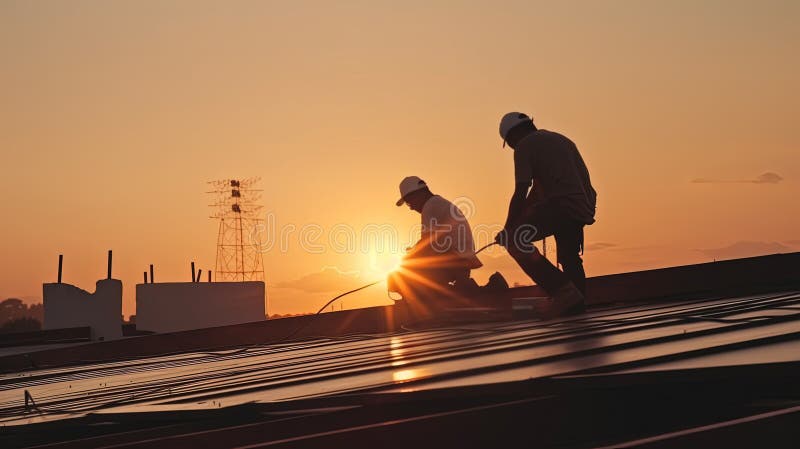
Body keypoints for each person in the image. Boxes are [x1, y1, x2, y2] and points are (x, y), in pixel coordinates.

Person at [495, 112, 597, 317]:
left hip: (561, 205)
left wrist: (508, 229)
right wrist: (526, 213)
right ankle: (577, 304)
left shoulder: (524, 146)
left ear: (513, 136)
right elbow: (538, 189)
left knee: (515, 240)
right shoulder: (560, 139)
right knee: (569, 257)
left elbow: (521, 191)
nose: (513, 147)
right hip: (582, 206)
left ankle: (563, 292)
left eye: (511, 143)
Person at [388, 176, 483, 315]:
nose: (411, 207)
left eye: (409, 202)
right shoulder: (438, 203)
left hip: (455, 260)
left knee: (398, 278)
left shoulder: (430, 206)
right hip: (461, 260)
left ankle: (434, 306)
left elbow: (427, 244)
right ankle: (461, 290)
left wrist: (405, 261)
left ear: (418, 194)